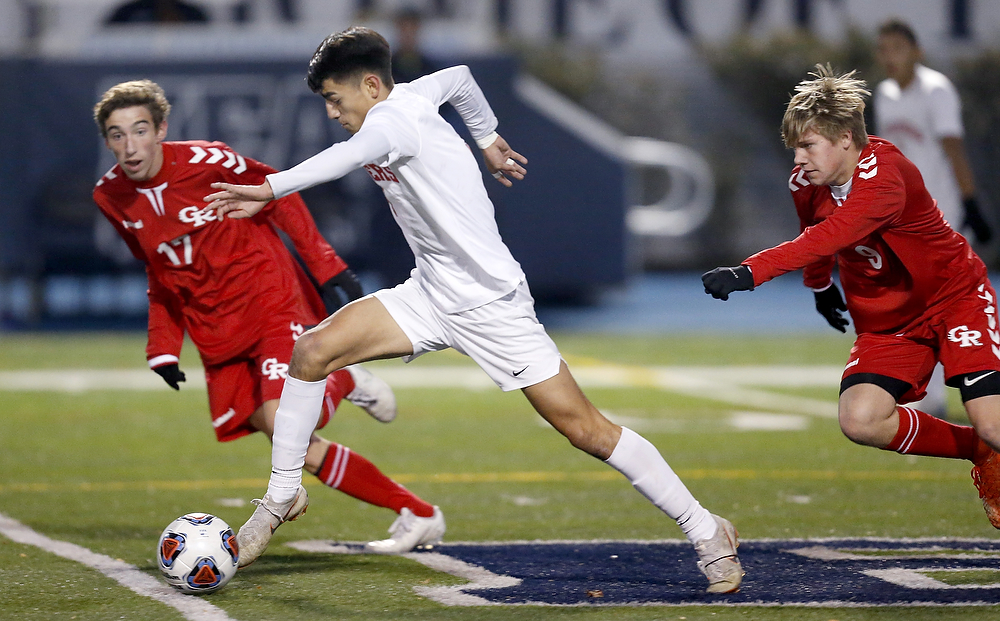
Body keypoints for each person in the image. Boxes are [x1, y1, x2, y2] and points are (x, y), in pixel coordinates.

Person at [204, 26, 742, 594]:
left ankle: (707, 528)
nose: (333, 112)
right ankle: (282, 493)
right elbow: (460, 80)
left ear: (369, 85)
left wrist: (270, 188)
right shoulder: (410, 95)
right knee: (312, 351)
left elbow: (345, 157)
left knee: (585, 429)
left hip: (491, 305)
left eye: (336, 99)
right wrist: (486, 137)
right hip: (431, 292)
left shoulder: (391, 120)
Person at [92, 79, 445, 559]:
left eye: (139, 130)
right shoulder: (110, 196)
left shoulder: (208, 160)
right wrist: (163, 346)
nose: (130, 146)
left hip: (268, 300)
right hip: (217, 333)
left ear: (161, 130)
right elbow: (160, 271)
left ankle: (337, 380)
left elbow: (280, 194)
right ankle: (418, 513)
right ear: (107, 141)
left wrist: (327, 266)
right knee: (297, 442)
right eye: (117, 135)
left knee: (286, 427)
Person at [701, 64, 1000, 530]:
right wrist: (819, 286)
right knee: (861, 419)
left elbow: (829, 236)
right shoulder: (806, 184)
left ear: (844, 137)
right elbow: (815, 233)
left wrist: (749, 272)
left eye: (807, 145)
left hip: (952, 299)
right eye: (794, 148)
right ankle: (980, 453)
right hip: (890, 322)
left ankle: (988, 442)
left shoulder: (886, 176)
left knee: (994, 423)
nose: (797, 159)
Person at [874, 18, 993, 419]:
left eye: (897, 48)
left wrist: (971, 203)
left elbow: (953, 148)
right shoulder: (885, 94)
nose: (890, 56)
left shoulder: (936, 90)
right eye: (884, 49)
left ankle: (939, 395)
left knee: (943, 303)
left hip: (941, 215)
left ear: (916, 51)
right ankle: (924, 390)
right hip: (900, 218)